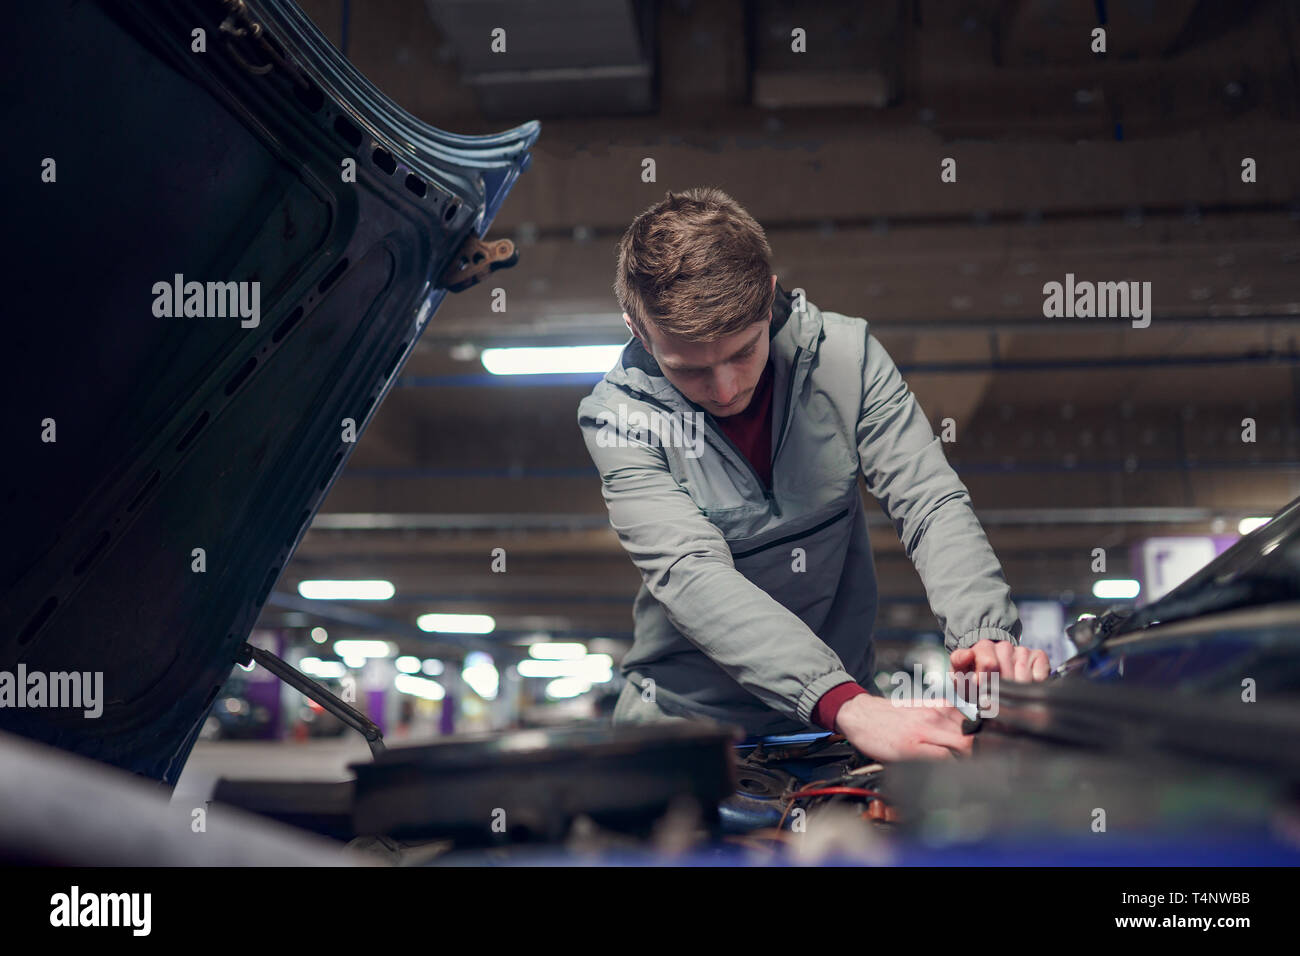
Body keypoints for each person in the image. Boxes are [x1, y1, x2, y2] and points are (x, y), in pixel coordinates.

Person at [577, 187, 1049, 760]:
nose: (726, 390)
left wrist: (984, 634)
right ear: (636, 328)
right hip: (687, 729)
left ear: (770, 295)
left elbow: (929, 502)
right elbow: (692, 572)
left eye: (743, 351)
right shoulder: (619, 418)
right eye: (689, 369)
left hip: (837, 728)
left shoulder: (847, 360)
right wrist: (842, 700)